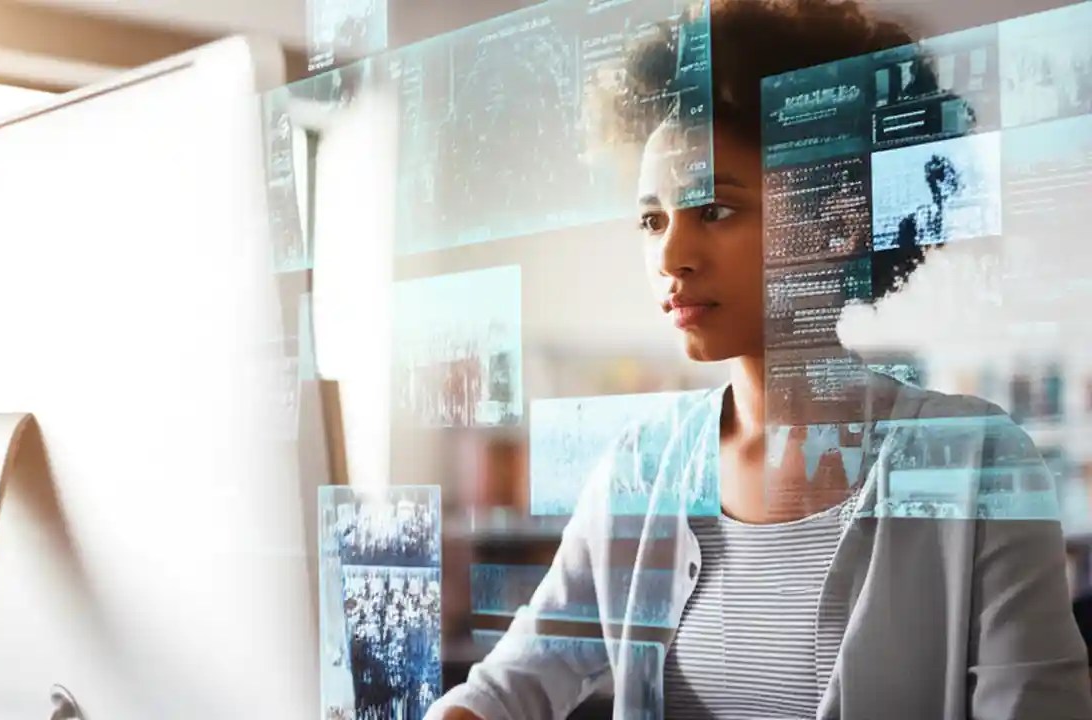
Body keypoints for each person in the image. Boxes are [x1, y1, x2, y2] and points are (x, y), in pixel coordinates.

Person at [424, 0, 1092, 718]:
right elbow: (514, 682)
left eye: (715, 210)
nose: (670, 257)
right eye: (653, 220)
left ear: (836, 219)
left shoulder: (977, 464)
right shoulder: (641, 471)